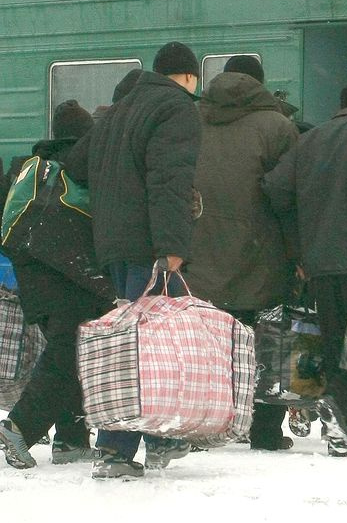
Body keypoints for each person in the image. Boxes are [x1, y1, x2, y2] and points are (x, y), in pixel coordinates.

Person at [70, 41, 203, 480]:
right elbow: (169, 179)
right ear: (187, 76)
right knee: (152, 344)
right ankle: (121, 446)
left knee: (138, 341)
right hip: (150, 244)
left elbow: (77, 163)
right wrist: (173, 246)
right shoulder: (175, 108)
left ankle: (158, 439)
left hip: (113, 243)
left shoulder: (118, 111)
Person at [262, 80, 347, 458]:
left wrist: (300, 246)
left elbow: (275, 189)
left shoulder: (311, 139)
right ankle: (339, 402)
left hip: (320, 261)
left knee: (337, 342)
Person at [187, 58, 299, 452]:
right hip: (260, 250)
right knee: (267, 342)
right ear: (261, 84)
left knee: (212, 344)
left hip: (200, 250)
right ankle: (264, 429)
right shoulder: (278, 127)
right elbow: (288, 194)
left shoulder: (192, 121)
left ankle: (208, 425)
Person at [0, 101, 114, 469]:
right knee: (70, 353)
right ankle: (19, 426)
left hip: (33, 271)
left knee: (70, 351)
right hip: (65, 274)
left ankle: (71, 439)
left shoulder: (29, 167)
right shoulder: (81, 164)